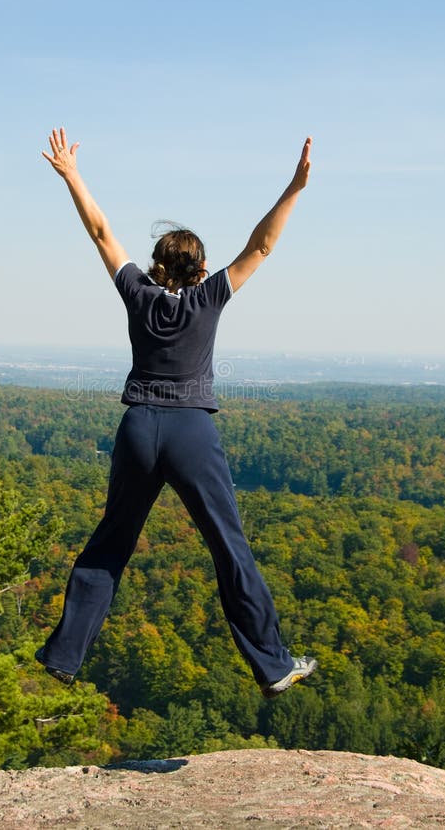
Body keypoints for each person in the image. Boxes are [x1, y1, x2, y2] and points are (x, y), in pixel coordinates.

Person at [36, 127, 316, 699]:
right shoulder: (210, 297)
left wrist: (71, 175)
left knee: (111, 541)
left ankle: (65, 655)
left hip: (139, 425)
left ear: (158, 266)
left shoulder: (137, 292)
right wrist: (294, 187)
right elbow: (261, 247)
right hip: (192, 430)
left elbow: (100, 231)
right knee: (228, 545)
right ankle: (273, 665)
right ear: (201, 267)